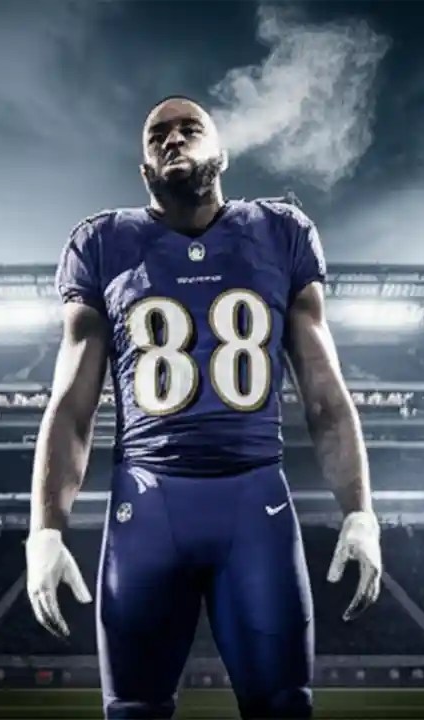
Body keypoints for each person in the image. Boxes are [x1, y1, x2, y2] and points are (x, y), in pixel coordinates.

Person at [25, 95, 382, 719]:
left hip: (255, 499)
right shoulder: (102, 244)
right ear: (143, 170)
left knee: (283, 706)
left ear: (221, 152)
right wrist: (45, 529)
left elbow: (324, 392)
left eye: (191, 128)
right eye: (157, 134)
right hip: (147, 500)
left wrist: (361, 512)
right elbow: (73, 404)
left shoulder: (281, 232)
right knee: (133, 710)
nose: (173, 139)